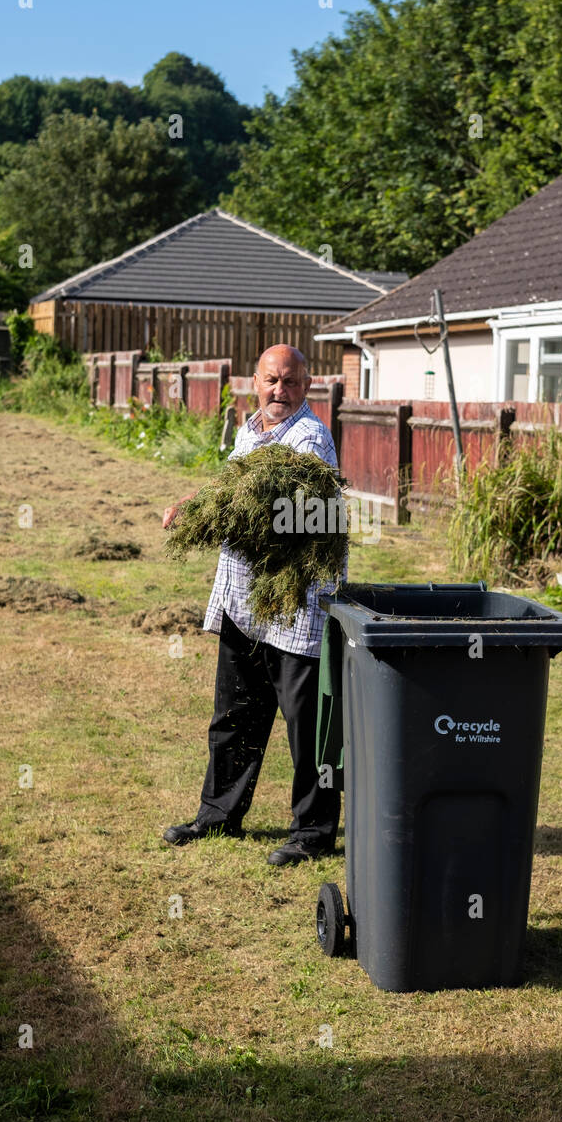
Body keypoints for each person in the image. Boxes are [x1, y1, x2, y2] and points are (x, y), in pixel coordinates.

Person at [161, 344, 343, 866]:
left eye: (288, 382)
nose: (278, 391)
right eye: (270, 381)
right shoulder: (248, 430)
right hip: (244, 599)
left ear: (306, 387)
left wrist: (221, 516)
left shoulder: (311, 441)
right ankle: (218, 815)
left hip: (293, 603)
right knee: (234, 716)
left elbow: (292, 517)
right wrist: (193, 507)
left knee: (306, 726)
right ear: (254, 383)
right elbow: (231, 490)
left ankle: (312, 833)